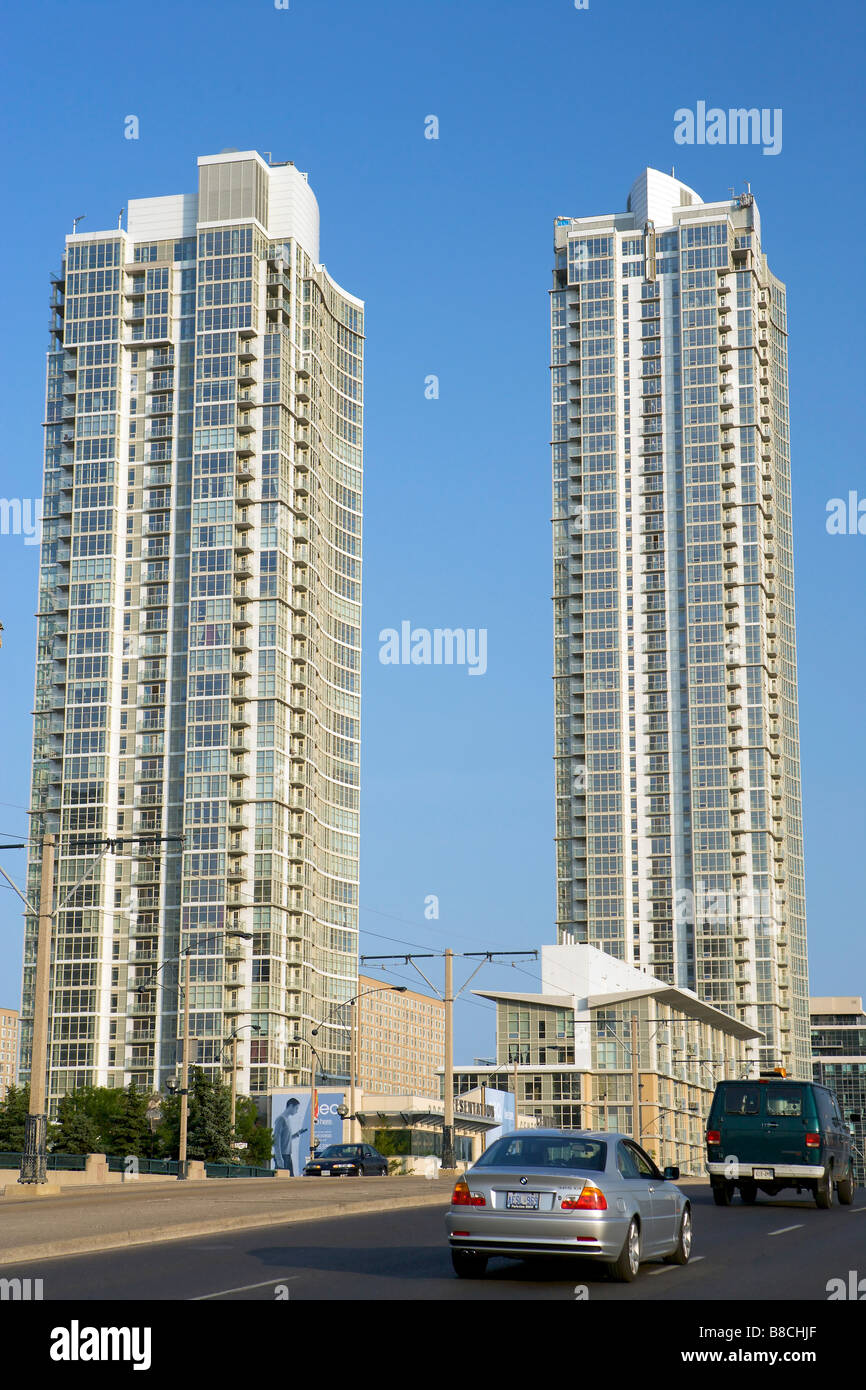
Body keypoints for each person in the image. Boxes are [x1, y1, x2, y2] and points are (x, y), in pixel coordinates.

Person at [273, 1097, 308, 1175]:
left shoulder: (287, 1119)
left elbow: (285, 1139)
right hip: (282, 1155)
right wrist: (279, 1158)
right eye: (296, 1108)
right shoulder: (281, 1119)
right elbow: (276, 1139)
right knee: (283, 1178)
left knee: (290, 1178)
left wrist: (297, 1134)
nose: (297, 1111)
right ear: (291, 1106)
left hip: (287, 1155)